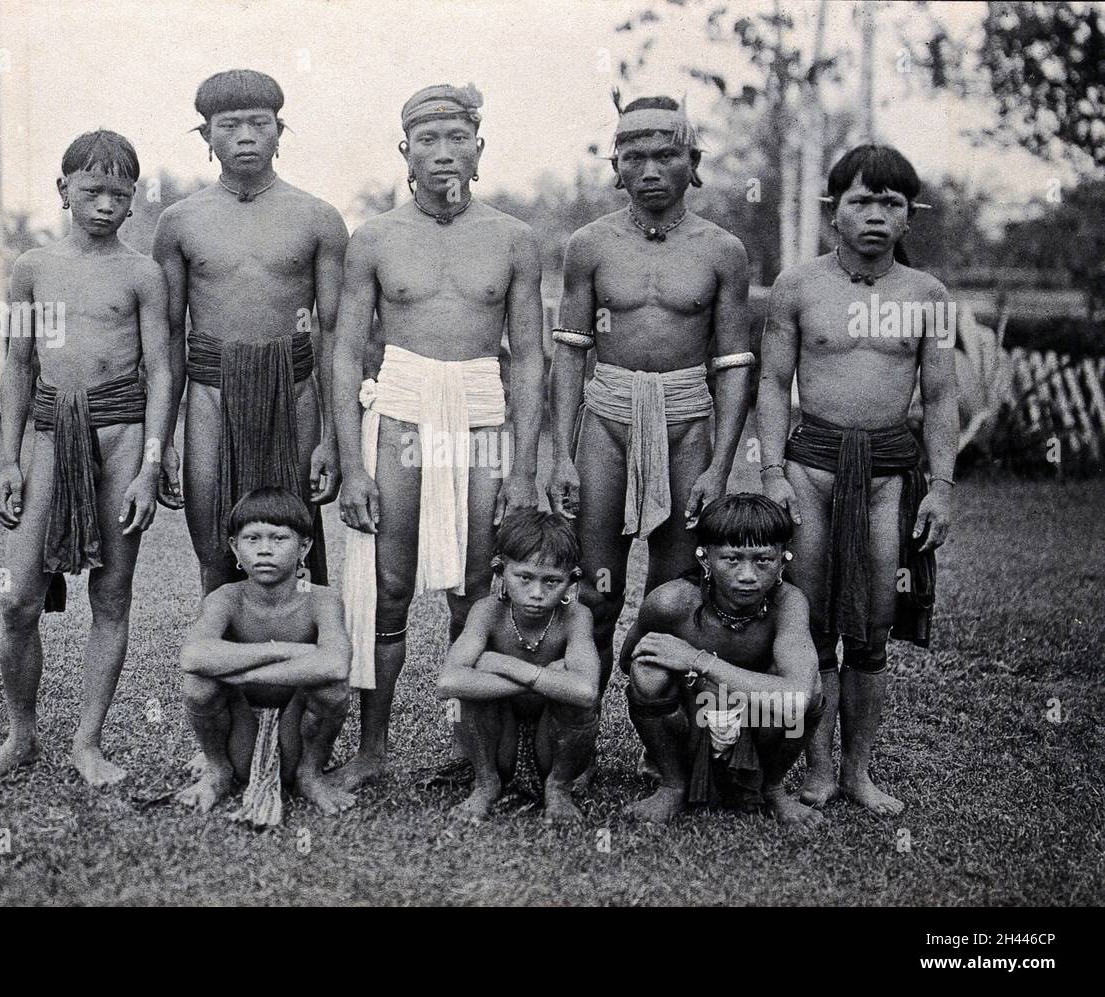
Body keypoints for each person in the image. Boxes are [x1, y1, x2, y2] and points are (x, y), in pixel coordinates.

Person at [331, 83, 545, 789]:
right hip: (400, 400)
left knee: (475, 589)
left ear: (479, 151)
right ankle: (373, 746)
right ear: (405, 153)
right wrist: (353, 469)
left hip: (481, 402)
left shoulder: (514, 238)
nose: (443, 151)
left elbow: (531, 355)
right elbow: (343, 352)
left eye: (458, 138)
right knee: (388, 586)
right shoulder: (375, 239)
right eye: (428, 139)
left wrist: (523, 468)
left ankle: (473, 747)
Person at [0, 130, 171, 787]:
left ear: (134, 200)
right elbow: (20, 365)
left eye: (120, 193)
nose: (107, 205)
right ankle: (19, 735)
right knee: (19, 597)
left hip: (123, 434)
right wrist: (8, 460)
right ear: (63, 191)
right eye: (92, 191)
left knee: (111, 594)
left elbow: (163, 370)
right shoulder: (33, 269)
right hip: (53, 435)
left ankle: (88, 741)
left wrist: (150, 463)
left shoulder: (142, 272)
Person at [757, 144, 957, 816]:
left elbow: (942, 395)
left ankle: (859, 770)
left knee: (871, 628)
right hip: (811, 467)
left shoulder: (926, 295)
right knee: (809, 620)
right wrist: (772, 471)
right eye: (861, 201)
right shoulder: (798, 285)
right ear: (831, 211)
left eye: (891, 203)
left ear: (909, 217)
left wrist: (944, 486)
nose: (875, 214)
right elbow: (771, 383)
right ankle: (816, 769)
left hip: (887, 475)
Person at [547, 92, 752, 689]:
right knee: (594, 589)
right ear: (615, 167)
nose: (651, 171)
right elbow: (571, 350)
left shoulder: (722, 250)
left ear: (693, 160)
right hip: (607, 420)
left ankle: (662, 742)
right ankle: (577, 735)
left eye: (666, 155)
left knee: (677, 591)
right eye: (634, 157)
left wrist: (720, 464)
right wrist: (560, 453)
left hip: (688, 420)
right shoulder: (589, 246)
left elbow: (734, 362)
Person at [152, 68, 348, 594]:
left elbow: (333, 335)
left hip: (296, 392)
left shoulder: (319, 218)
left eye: (258, 123)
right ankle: (223, 671)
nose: (244, 136)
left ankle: (304, 672)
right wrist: (163, 440)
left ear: (280, 132)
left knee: (295, 540)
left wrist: (334, 437)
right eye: (228, 124)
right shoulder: (179, 222)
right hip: (211, 396)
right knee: (215, 547)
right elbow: (170, 338)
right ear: (206, 136)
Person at [617, 494, 825, 825]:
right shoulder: (671, 602)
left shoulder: (789, 604)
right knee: (648, 672)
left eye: (763, 561)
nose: (747, 575)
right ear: (705, 559)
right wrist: (697, 688)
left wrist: (699, 663)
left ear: (783, 563)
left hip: (758, 721)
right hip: (691, 720)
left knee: (811, 690)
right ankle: (672, 784)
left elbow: (799, 697)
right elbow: (629, 661)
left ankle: (772, 789)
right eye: (731, 559)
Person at [176, 487, 355, 825]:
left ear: (304, 547)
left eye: (278, 539)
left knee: (332, 687)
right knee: (199, 684)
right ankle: (217, 770)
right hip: (238, 731)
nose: (264, 550)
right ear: (235, 548)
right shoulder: (226, 597)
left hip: (295, 732)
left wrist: (243, 674)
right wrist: (285, 651)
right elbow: (194, 655)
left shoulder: (321, 599)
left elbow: (335, 663)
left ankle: (310, 774)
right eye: (252, 538)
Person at [435, 511, 600, 821]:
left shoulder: (576, 617)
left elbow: (586, 693)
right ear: (500, 571)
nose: (537, 593)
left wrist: (501, 664)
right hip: (500, 724)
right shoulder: (487, 612)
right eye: (524, 577)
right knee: (465, 695)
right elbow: (448, 683)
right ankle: (486, 783)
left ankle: (558, 787)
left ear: (572, 580)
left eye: (552, 581)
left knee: (577, 703)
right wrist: (547, 677)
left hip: (553, 731)